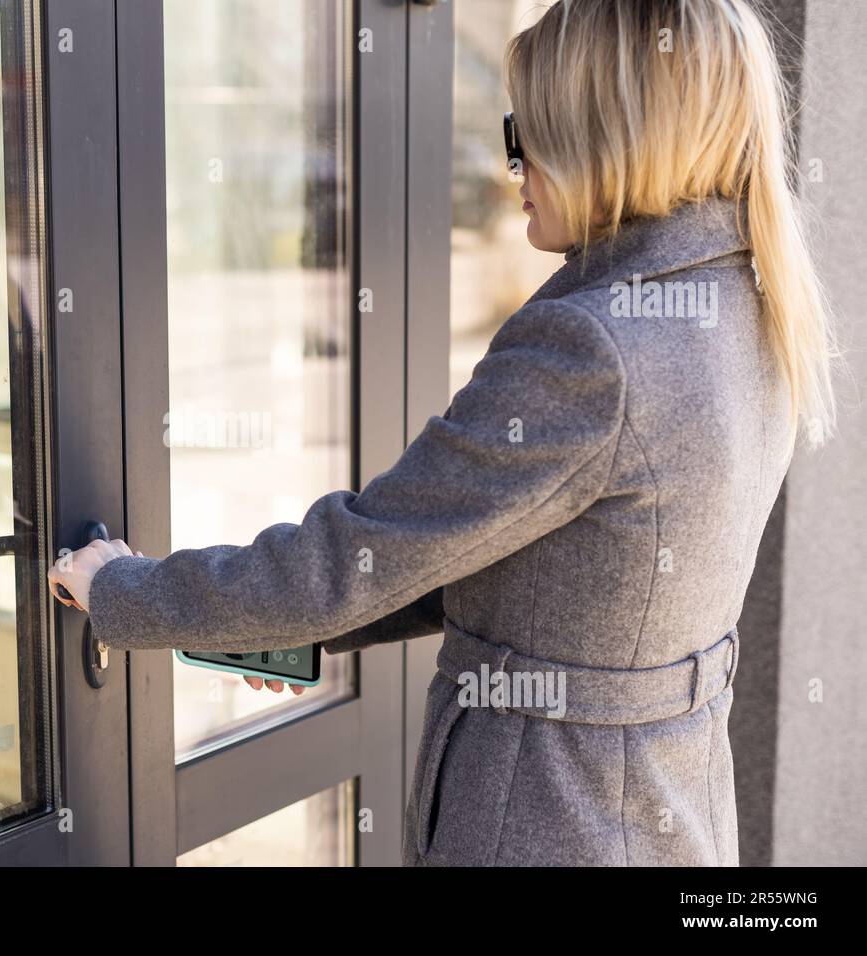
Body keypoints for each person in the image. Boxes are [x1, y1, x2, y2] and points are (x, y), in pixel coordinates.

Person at [47, 0, 838, 866]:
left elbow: (359, 552)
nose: (513, 167)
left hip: (552, 821)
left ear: (602, 139)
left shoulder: (593, 349)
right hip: (668, 813)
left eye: (525, 133)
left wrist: (125, 591)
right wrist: (280, 624)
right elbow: (522, 560)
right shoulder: (746, 307)